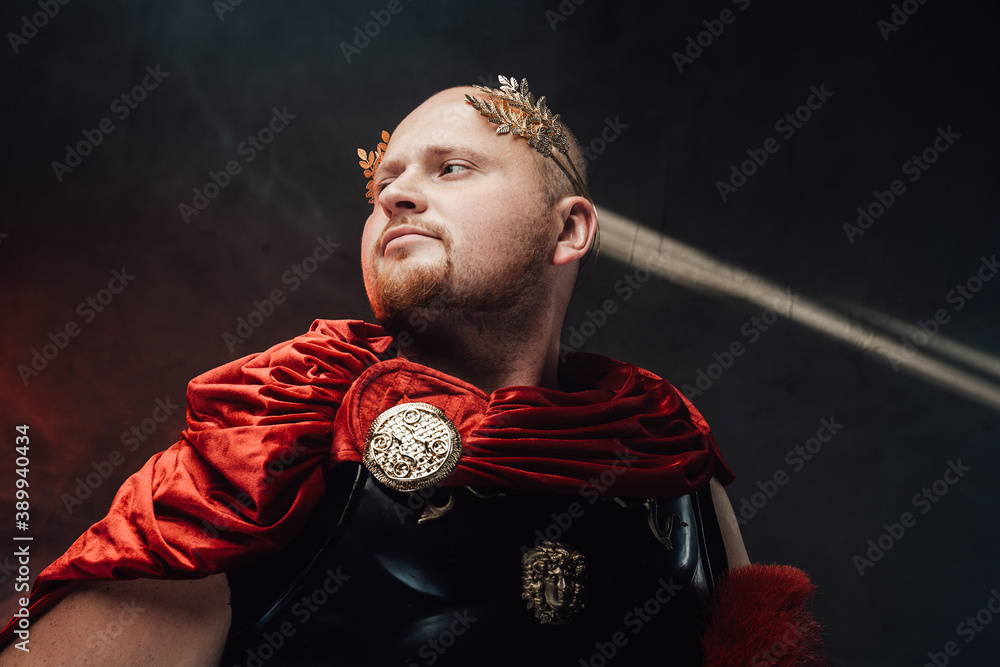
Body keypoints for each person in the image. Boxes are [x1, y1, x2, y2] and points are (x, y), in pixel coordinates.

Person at [0, 77, 827, 666]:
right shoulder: (278, 424)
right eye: (383, 181)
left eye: (450, 168)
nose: (395, 196)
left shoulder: (665, 451)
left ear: (568, 229)